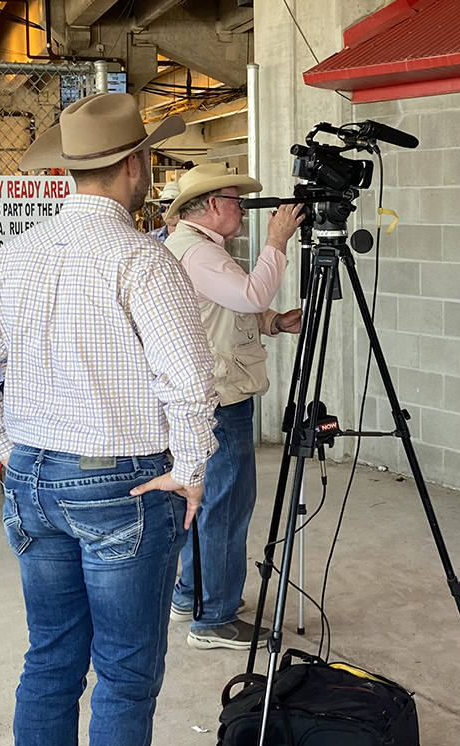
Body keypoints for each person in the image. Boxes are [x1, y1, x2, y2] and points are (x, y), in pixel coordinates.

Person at [0, 93, 214, 746]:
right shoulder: (143, 259)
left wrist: (4, 443)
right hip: (123, 481)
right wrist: (190, 468)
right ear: (136, 166)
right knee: (125, 678)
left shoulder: (15, 256)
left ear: (68, 169)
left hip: (33, 480)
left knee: (50, 665)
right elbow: (188, 383)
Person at [163, 163, 304, 650]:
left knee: (206, 502)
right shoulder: (199, 253)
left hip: (209, 393)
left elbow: (219, 310)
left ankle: (193, 595)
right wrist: (278, 241)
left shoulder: (194, 249)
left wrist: (271, 323)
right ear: (210, 206)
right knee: (225, 505)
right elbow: (249, 292)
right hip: (221, 399)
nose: (241, 207)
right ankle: (216, 617)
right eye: (234, 199)